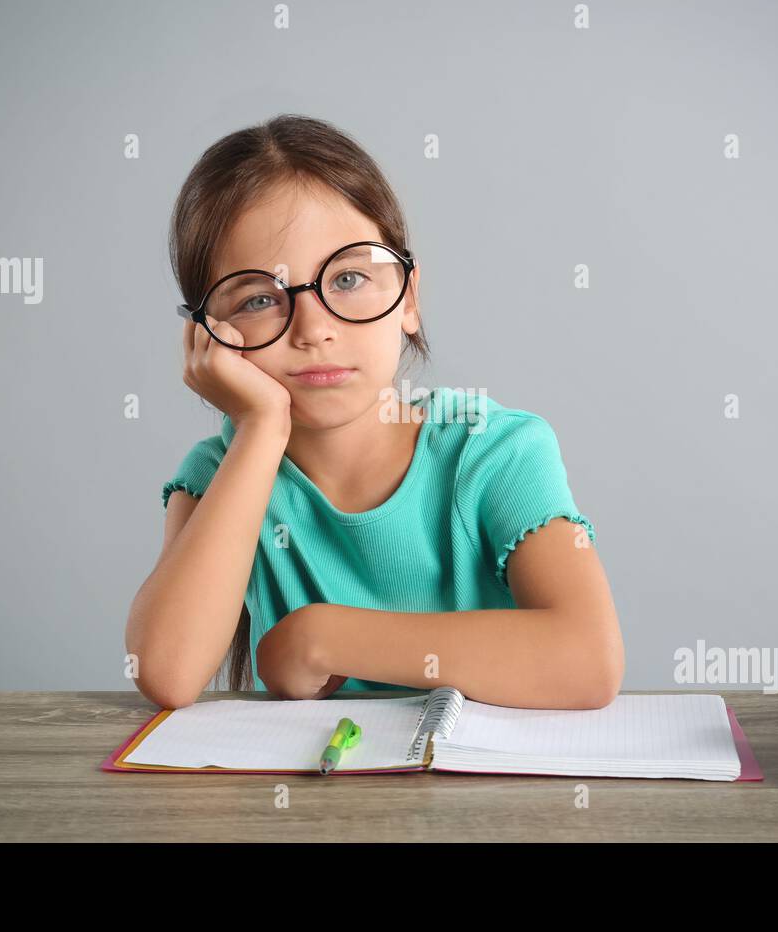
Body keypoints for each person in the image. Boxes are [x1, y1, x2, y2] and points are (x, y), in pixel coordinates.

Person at [125, 114, 623, 710]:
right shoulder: (221, 474)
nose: (314, 329)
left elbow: (588, 660)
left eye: (349, 278)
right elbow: (165, 673)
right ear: (209, 335)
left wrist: (324, 638)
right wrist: (260, 429)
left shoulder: (494, 449)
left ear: (408, 298)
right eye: (260, 298)